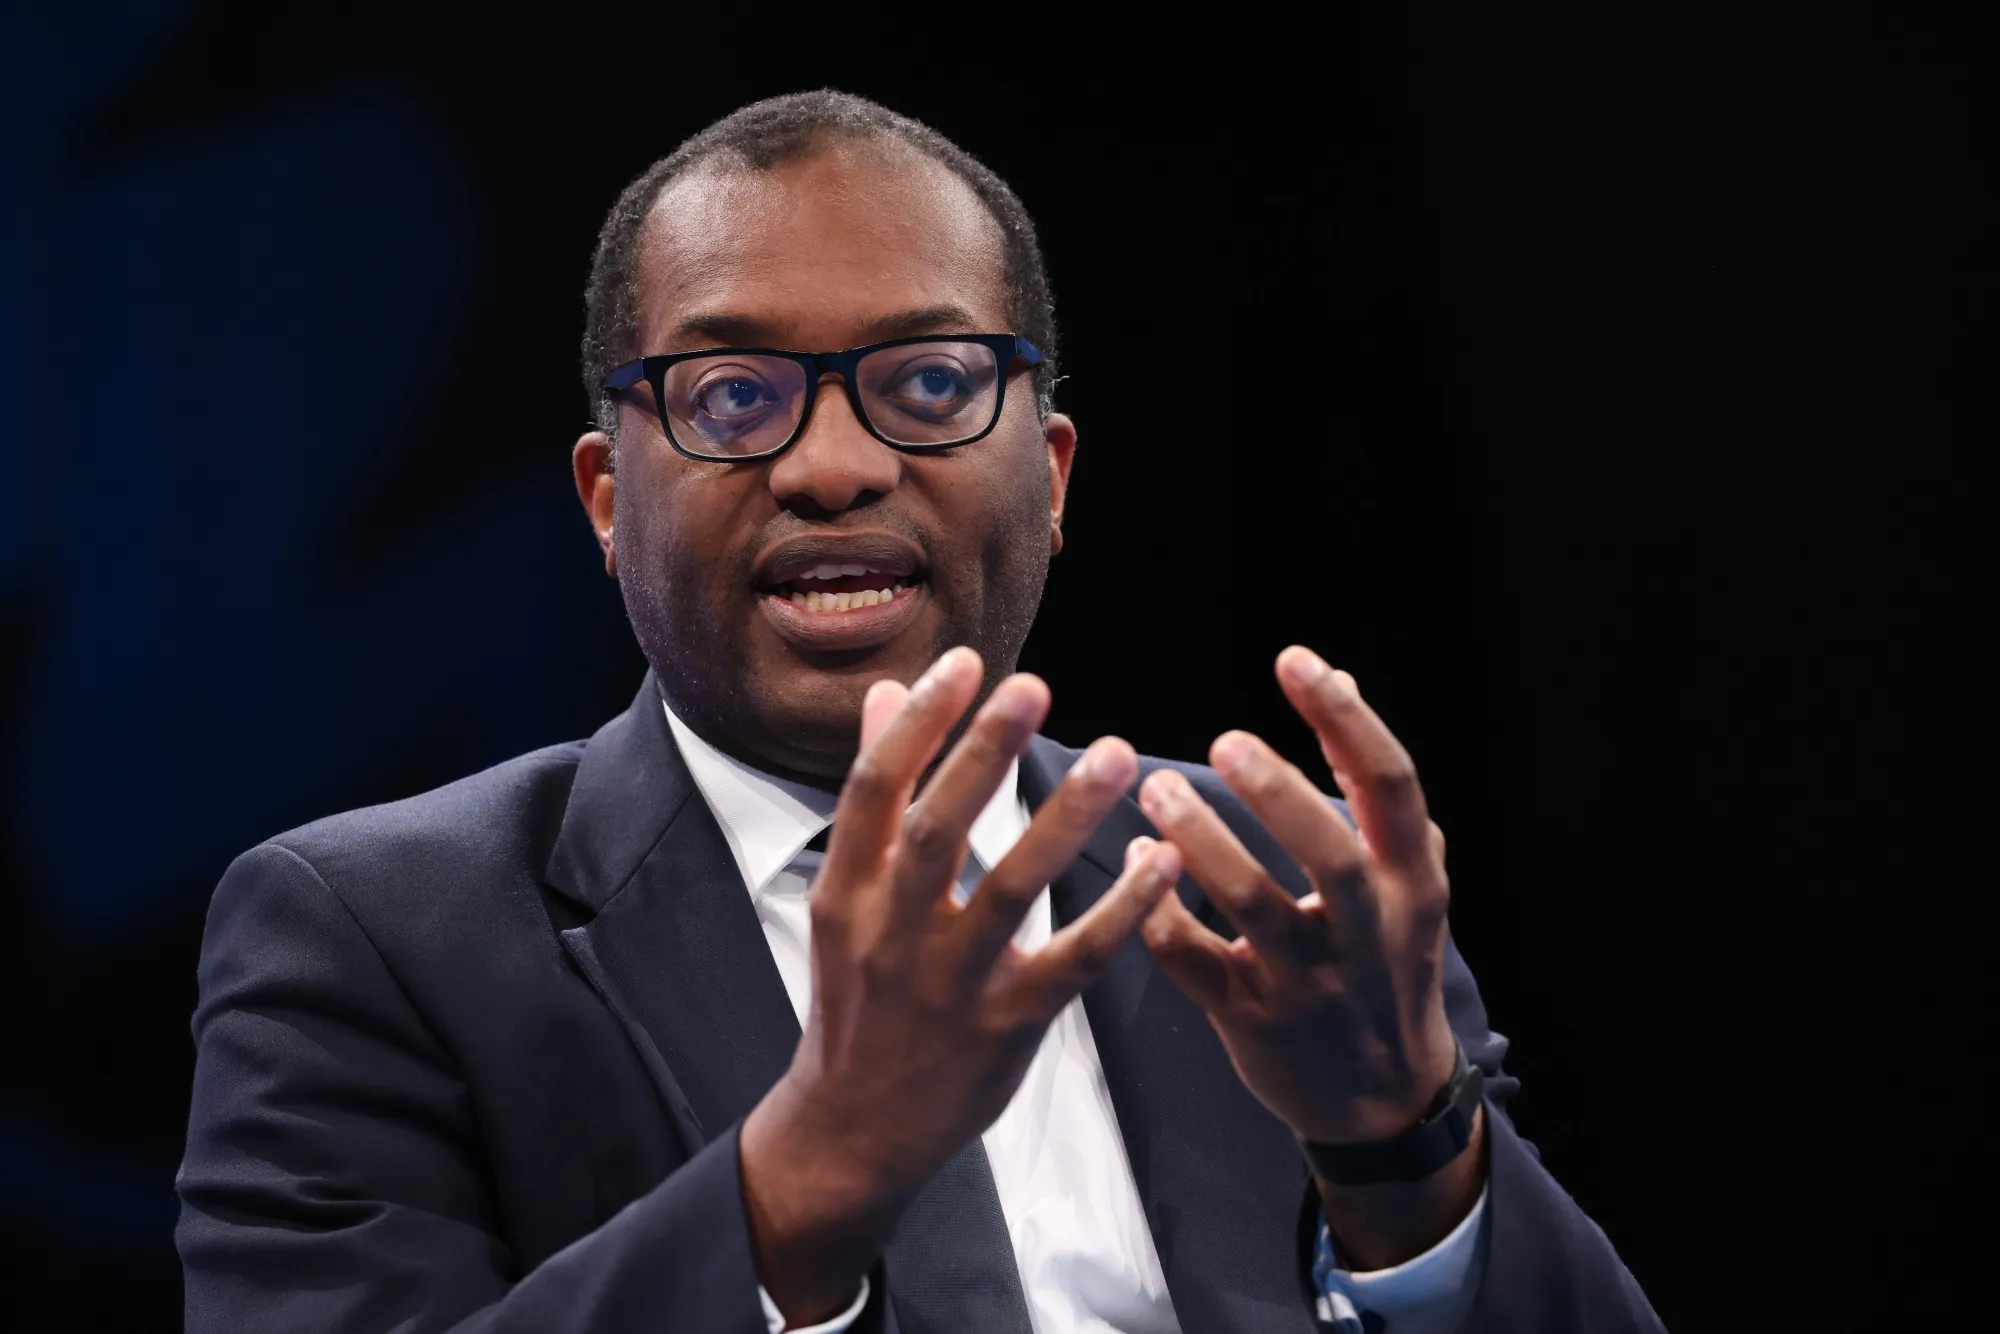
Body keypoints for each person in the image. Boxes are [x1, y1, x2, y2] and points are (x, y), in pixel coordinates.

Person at [176, 90, 1661, 1334]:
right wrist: (810, 1173)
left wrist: (1407, 1153)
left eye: (932, 382)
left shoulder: (1276, 893)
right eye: (734, 395)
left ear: (1054, 477)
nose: (833, 466)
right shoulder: (374, 937)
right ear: (608, 498)